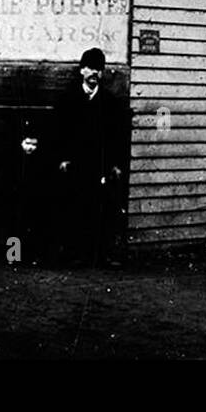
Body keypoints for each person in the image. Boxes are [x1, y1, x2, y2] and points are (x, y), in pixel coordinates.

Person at [52, 46, 129, 265]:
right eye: (90, 68)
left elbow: (117, 137)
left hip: (100, 164)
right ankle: (74, 253)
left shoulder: (110, 102)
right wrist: (62, 158)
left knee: (101, 208)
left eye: (99, 69)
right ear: (81, 71)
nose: (94, 73)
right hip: (75, 164)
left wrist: (116, 164)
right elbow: (58, 132)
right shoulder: (68, 100)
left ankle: (101, 254)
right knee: (74, 207)